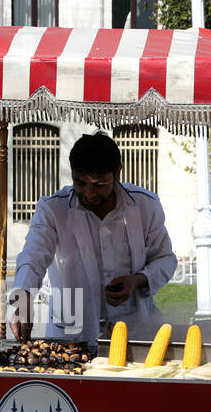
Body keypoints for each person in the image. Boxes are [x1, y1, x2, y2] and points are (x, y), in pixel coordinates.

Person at [9, 132, 176, 343]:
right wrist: (22, 295)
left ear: (117, 174)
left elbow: (166, 259)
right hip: (72, 336)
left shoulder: (145, 205)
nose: (89, 193)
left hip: (134, 333)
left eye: (99, 184)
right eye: (81, 183)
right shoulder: (52, 209)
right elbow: (32, 257)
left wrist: (136, 280)